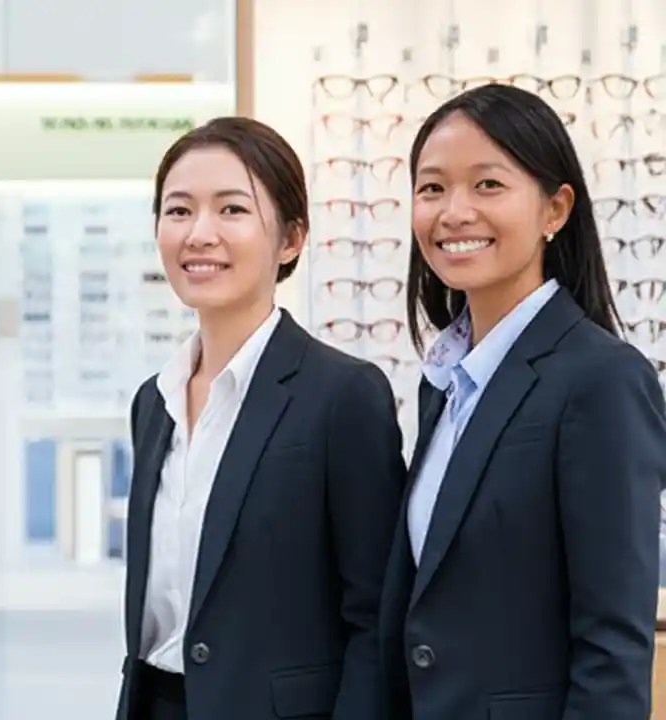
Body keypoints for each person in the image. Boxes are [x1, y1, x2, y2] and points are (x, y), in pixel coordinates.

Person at [378, 83, 666, 720]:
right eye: (432, 188)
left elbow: (613, 647)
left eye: (487, 185)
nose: (453, 212)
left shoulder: (601, 382)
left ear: (554, 209)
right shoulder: (447, 385)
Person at [116, 116, 407, 720]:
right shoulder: (154, 402)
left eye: (231, 210)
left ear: (292, 238)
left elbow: (374, 620)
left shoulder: (342, 395)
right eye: (178, 211)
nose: (199, 233)